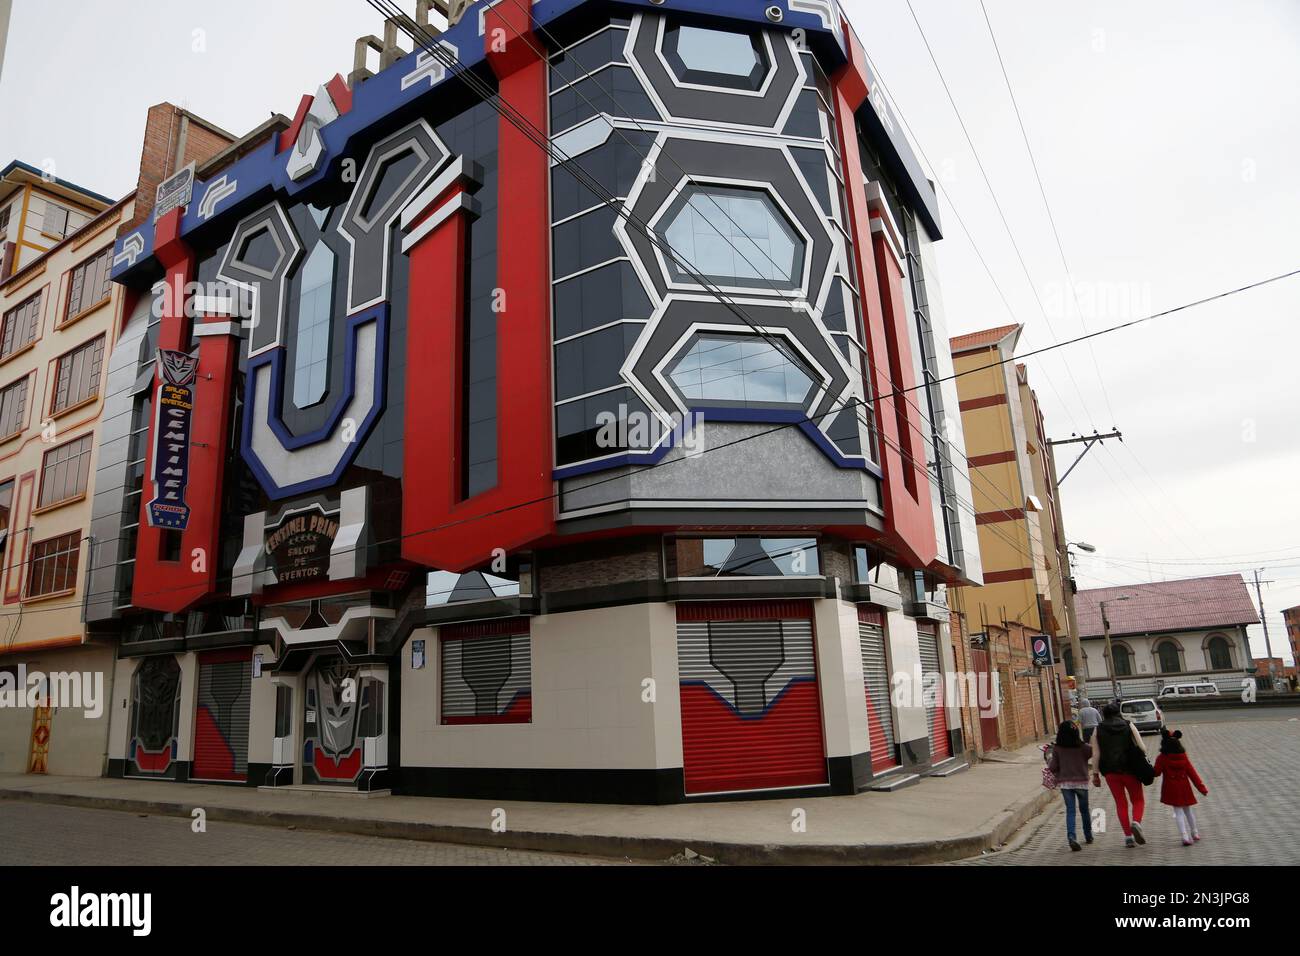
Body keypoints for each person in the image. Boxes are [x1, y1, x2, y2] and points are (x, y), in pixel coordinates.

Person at [1094, 701, 1149, 847]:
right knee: (1138, 800)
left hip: (1111, 772)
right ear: (1119, 712)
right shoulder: (1128, 725)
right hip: (1130, 769)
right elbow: (1142, 747)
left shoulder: (1097, 729)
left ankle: (1128, 837)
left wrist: (1095, 774)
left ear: (1103, 715)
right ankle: (1136, 822)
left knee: (1120, 803)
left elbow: (1096, 753)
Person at [1154, 729, 1209, 846]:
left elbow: (1156, 772)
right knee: (1188, 810)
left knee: (1178, 812)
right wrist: (1202, 788)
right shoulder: (1183, 757)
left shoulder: (1162, 757)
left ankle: (1184, 836)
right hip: (1185, 788)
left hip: (1171, 788)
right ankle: (1195, 833)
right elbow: (1192, 773)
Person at [1047, 720, 1096, 851]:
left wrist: (1049, 759)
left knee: (1071, 811)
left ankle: (1071, 837)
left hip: (1065, 783)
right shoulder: (1083, 747)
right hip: (1082, 783)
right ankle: (1088, 835)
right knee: (1084, 810)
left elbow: (1052, 767)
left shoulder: (1058, 748)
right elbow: (1094, 752)